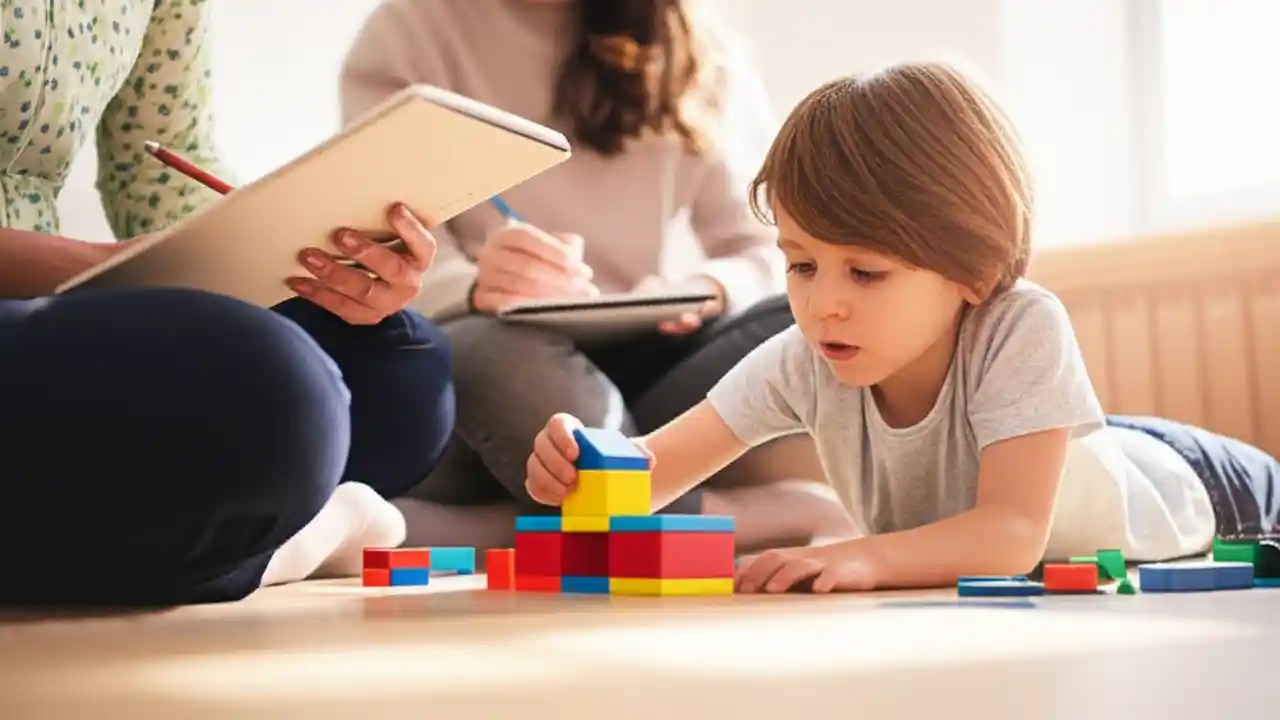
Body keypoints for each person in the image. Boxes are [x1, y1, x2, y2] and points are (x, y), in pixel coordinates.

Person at [523, 60, 1280, 593]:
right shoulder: (803, 357)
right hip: (1074, 454)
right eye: (801, 265)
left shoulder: (1020, 325)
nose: (824, 304)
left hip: (1206, 490)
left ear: (973, 270)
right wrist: (585, 466)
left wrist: (866, 557)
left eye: (866, 272)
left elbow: (1013, 531)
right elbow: (649, 468)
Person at [341, 0, 853, 549]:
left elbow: (766, 247)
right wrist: (473, 284)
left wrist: (706, 290)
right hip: (504, 344)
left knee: (802, 321)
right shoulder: (414, 29)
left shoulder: (698, 46)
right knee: (496, 356)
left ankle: (512, 524)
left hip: (656, 352)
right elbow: (386, 244)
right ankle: (758, 516)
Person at [0, 1, 455, 605]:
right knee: (277, 392)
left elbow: (162, 168)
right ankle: (269, 553)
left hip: (47, 309)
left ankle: (212, 523)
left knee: (402, 371)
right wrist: (86, 267)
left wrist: (306, 255)